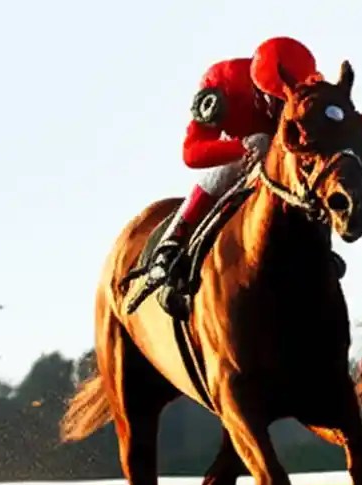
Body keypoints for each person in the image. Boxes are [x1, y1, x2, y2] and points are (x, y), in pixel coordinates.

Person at [128, 36, 345, 317]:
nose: (278, 106)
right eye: (272, 96)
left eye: (285, 98)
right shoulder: (223, 83)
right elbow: (191, 152)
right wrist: (240, 147)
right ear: (256, 85)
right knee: (244, 154)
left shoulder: (309, 93)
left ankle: (321, 248)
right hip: (241, 158)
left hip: (281, 167)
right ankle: (172, 245)